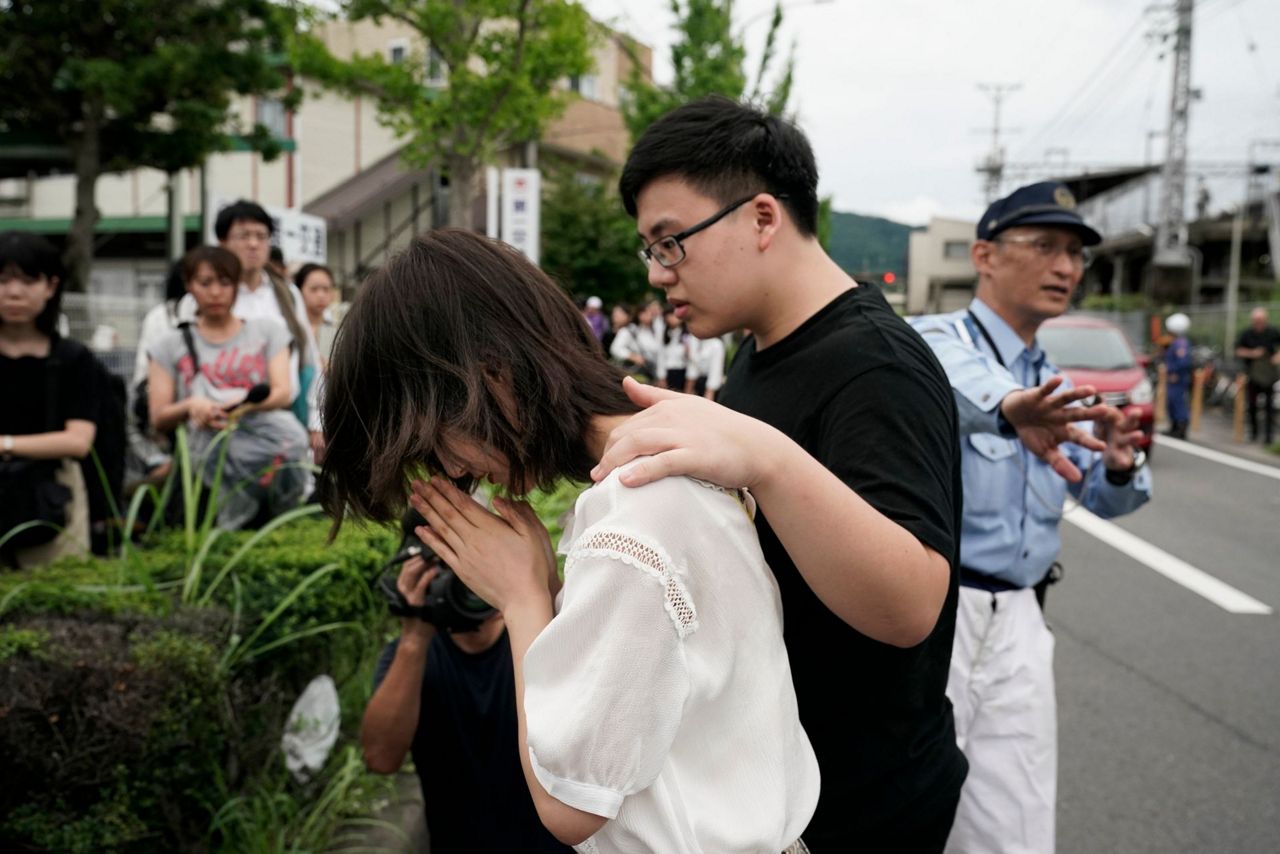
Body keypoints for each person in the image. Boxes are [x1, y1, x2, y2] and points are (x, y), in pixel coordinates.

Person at [319, 228, 819, 853]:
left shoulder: (631, 516)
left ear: (490, 373)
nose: (451, 469)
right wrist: (548, 590)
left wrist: (522, 598)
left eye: (433, 441)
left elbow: (569, 805)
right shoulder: (669, 464)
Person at [597, 96, 966, 851]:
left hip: (859, 805)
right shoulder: (760, 349)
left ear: (762, 217)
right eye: (650, 250)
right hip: (778, 784)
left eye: (670, 243)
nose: (659, 273)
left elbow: (911, 605)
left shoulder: (876, 366)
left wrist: (765, 458)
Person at [909, 181, 1152, 854]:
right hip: (936, 613)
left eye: (1075, 253)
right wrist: (1012, 406)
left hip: (1021, 614)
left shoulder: (1057, 385)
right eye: (1045, 246)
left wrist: (1121, 466)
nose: (1065, 267)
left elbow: (1103, 496)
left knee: (1014, 824)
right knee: (908, 813)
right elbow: (945, 372)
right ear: (984, 255)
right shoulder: (934, 341)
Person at [363, 513, 572, 854]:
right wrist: (414, 636)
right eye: (448, 571)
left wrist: (535, 591)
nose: (467, 586)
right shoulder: (410, 657)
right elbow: (380, 758)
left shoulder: (535, 636)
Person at [148, 246, 309, 530]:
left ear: (237, 285)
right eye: (205, 283)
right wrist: (192, 405)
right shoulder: (169, 344)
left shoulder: (268, 332)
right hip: (205, 469)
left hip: (267, 457)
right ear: (189, 286)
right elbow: (159, 417)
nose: (215, 293)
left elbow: (282, 392)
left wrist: (239, 407)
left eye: (224, 282)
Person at [185, 200, 324, 457]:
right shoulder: (203, 300)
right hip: (219, 424)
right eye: (243, 236)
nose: (253, 244)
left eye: (261, 236)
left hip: (282, 422)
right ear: (222, 242)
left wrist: (316, 419)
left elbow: (309, 357)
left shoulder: (286, 294)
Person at [0, 231, 97, 568]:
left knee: (56, 590)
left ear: (51, 286)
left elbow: (78, 441)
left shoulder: (74, 359)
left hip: (53, 496)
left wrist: (5, 444)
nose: (14, 292)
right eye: (3, 280)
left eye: (28, 280)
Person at [1234, 307, 1280, 444]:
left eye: (1261, 320)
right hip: (1252, 374)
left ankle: (1268, 436)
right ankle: (1254, 432)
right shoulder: (1247, 334)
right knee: (1252, 404)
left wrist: (1277, 357)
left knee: (1269, 406)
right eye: (1256, 320)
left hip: (1269, 374)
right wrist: (1253, 353)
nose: (1258, 323)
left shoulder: (1273, 332)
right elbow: (1238, 351)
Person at [294, 263, 338, 370]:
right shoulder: (292, 329)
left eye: (326, 289)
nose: (321, 295)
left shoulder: (333, 329)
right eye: (314, 289)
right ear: (299, 290)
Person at [1163, 312, 1192, 438]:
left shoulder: (1181, 343)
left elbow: (1183, 362)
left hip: (1178, 379)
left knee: (1177, 402)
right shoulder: (1177, 342)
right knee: (1172, 402)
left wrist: (1175, 372)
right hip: (1174, 378)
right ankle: (1174, 427)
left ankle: (1181, 428)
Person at [655, 305, 695, 392]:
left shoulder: (687, 335)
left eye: (673, 315)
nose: (672, 318)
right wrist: (661, 377)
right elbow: (660, 357)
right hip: (668, 373)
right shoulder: (664, 334)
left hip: (682, 373)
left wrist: (690, 382)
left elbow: (692, 361)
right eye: (669, 315)